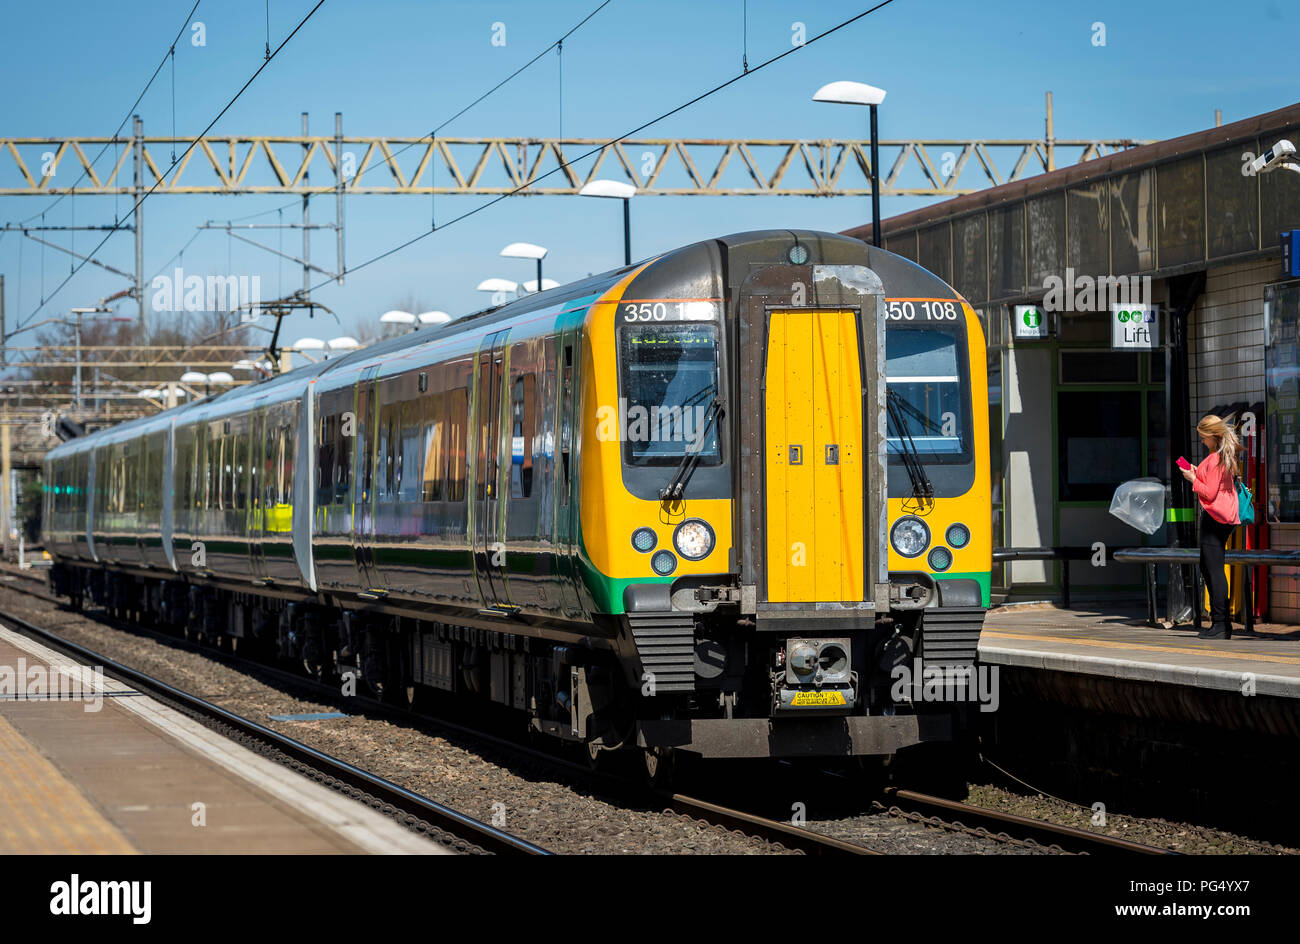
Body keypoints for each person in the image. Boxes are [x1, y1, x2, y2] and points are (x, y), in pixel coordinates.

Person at [1179, 415, 1241, 639]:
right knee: (1208, 567)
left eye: (1203, 438)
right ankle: (1221, 624)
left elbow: (1209, 492)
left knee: (1213, 570)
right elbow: (1214, 484)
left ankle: (1220, 624)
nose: (1202, 442)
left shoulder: (1215, 458)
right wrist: (1198, 472)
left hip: (1214, 519)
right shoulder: (1221, 456)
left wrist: (1190, 478)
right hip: (1223, 518)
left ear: (1212, 436)